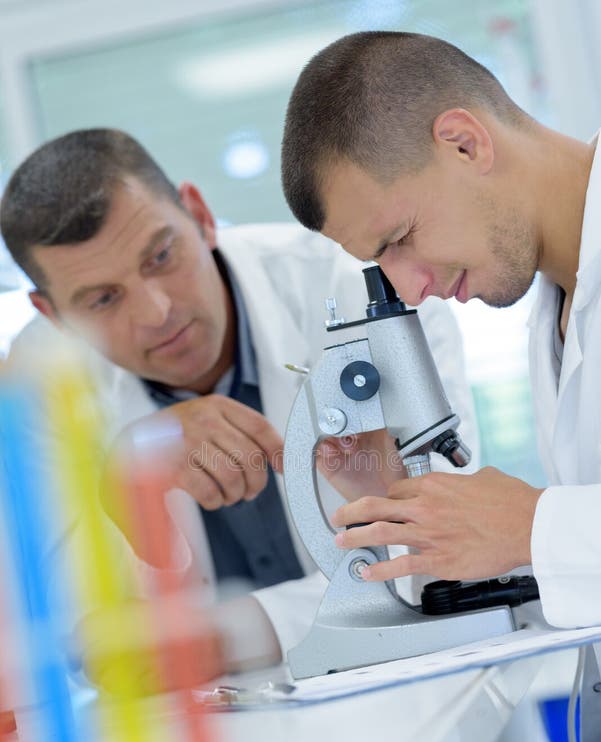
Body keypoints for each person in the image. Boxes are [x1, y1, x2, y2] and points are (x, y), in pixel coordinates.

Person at [280, 29, 601, 742]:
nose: (410, 287)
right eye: (381, 264)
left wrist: (535, 527)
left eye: (401, 236)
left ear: (464, 142)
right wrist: (401, 512)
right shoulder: (560, 304)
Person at [0, 127, 479, 687]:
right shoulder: (33, 390)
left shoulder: (360, 292)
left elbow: (447, 544)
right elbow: (57, 635)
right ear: (52, 313)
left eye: (161, 256)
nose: (156, 311)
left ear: (201, 216)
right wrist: (123, 479)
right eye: (103, 299)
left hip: (421, 685)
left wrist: (223, 637)